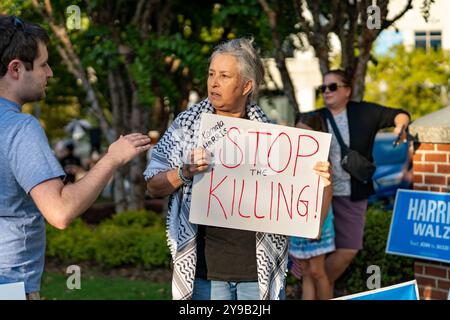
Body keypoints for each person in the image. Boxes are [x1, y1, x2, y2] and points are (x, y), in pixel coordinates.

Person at [145, 38, 332, 300]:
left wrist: (321, 183)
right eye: (211, 74)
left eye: (224, 76)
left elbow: (309, 225)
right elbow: (153, 185)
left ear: (247, 86)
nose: (214, 82)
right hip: (204, 274)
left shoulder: (274, 138)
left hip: (257, 275)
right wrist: (183, 173)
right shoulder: (184, 127)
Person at [0, 15, 151, 299]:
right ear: (16, 69)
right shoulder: (20, 128)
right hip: (8, 285)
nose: (51, 73)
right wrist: (112, 159)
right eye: (44, 64)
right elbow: (60, 212)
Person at [296, 69, 410, 293]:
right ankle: (319, 283)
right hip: (318, 197)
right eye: (323, 88)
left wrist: (400, 125)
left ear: (347, 90)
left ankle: (321, 283)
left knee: (348, 249)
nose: (326, 92)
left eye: (333, 86)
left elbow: (400, 113)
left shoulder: (364, 112)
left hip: (352, 194)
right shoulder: (314, 118)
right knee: (314, 255)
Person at [288, 112, 335, 300]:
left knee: (318, 271)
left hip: (318, 223)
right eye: (298, 132)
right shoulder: (292, 158)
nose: (303, 138)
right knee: (306, 272)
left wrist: (317, 227)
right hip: (297, 224)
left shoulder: (322, 162)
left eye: (308, 133)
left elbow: (327, 193)